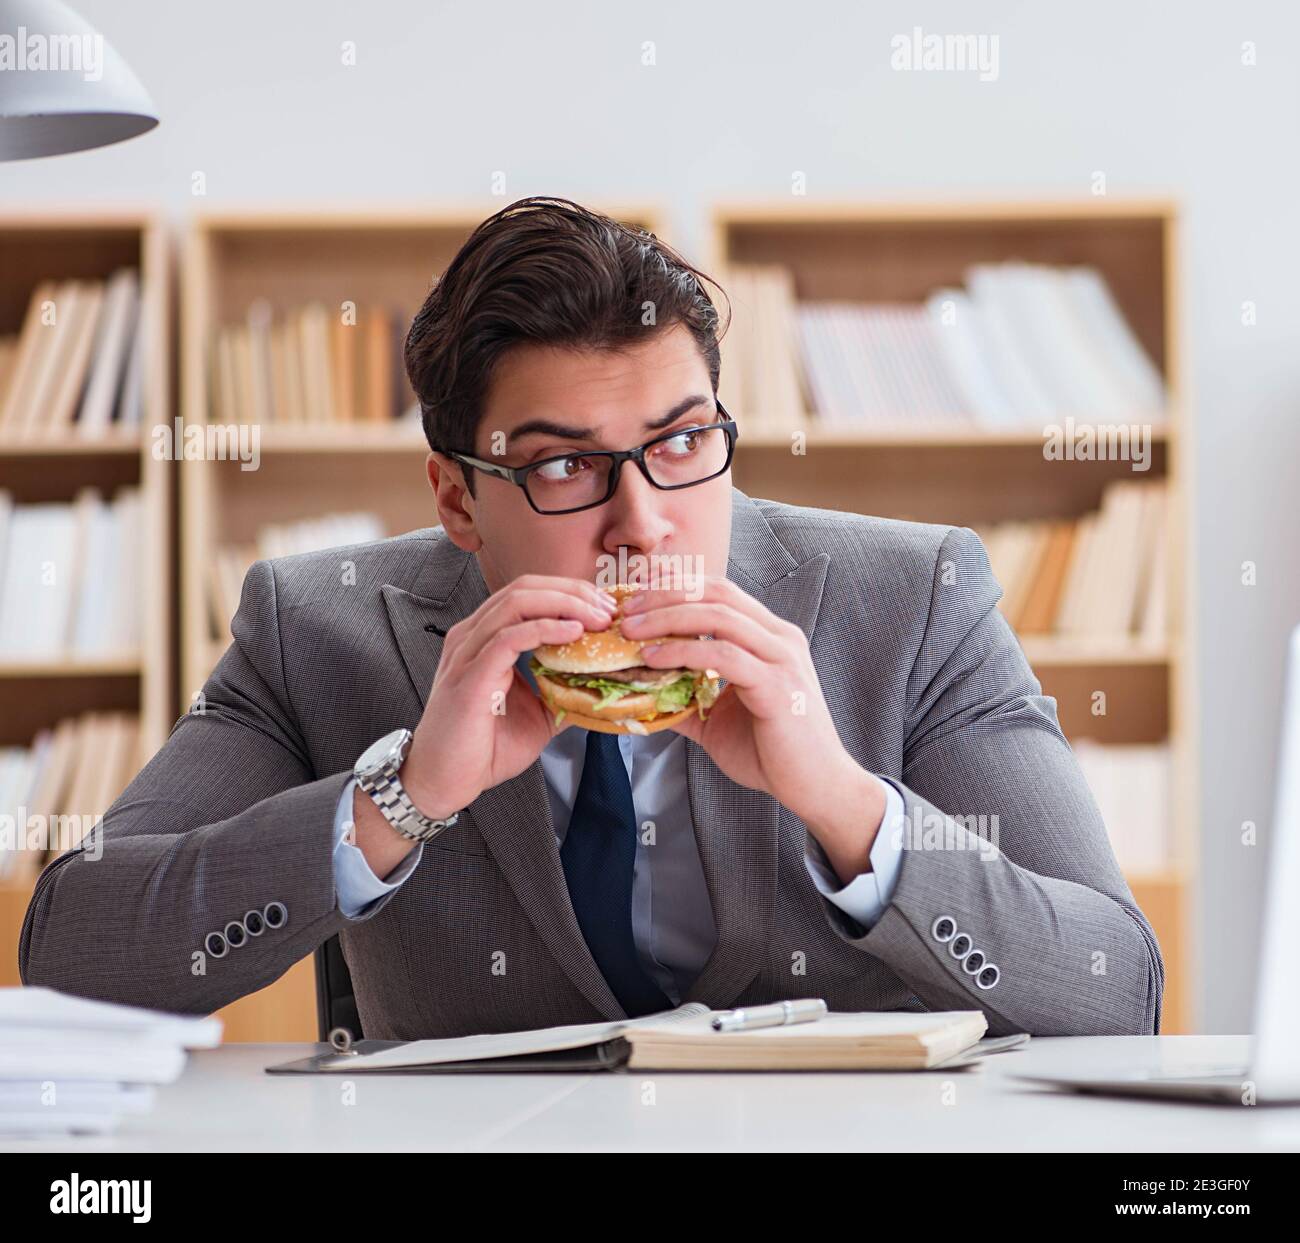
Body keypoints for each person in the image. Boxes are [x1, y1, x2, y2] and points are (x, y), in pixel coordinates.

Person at [20, 196, 1163, 1039]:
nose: (644, 525)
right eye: (566, 466)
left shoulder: (918, 599)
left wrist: (846, 803)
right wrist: (401, 796)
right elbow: (75, 957)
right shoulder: (315, 626)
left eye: (679, 444)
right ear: (458, 497)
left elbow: (1116, 989)